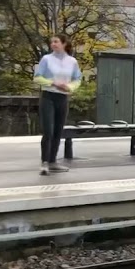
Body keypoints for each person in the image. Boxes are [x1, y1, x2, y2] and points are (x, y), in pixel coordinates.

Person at [34, 34, 81, 175]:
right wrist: (53, 83)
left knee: (58, 131)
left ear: (64, 43)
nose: (53, 44)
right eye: (51, 42)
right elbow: (37, 78)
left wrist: (70, 87)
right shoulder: (46, 59)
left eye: (56, 41)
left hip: (63, 98)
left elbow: (77, 79)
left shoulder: (72, 61)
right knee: (48, 130)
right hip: (48, 96)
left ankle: (53, 161)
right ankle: (44, 162)